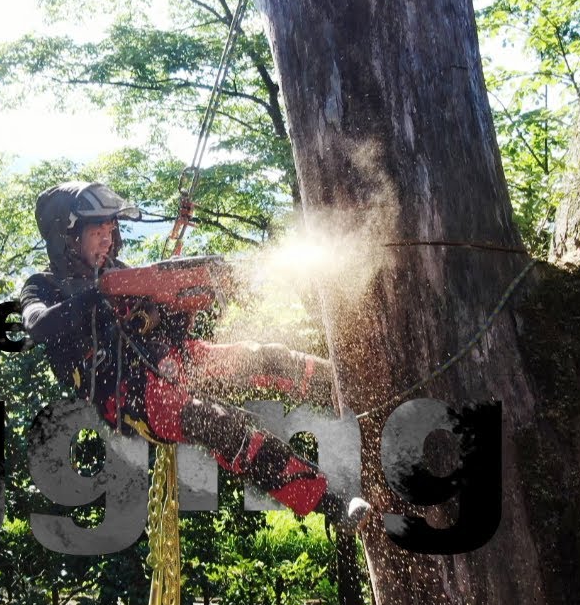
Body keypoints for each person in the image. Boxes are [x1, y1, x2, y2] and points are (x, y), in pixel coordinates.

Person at [19, 181, 368, 528]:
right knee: (224, 425)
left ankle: (354, 386)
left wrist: (183, 304)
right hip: (135, 398)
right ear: (67, 236)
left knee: (265, 358)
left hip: (174, 360)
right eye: (98, 232)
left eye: (112, 230)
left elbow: (166, 331)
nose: (108, 240)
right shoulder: (43, 285)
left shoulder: (122, 273)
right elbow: (36, 324)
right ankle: (331, 503)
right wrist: (99, 293)